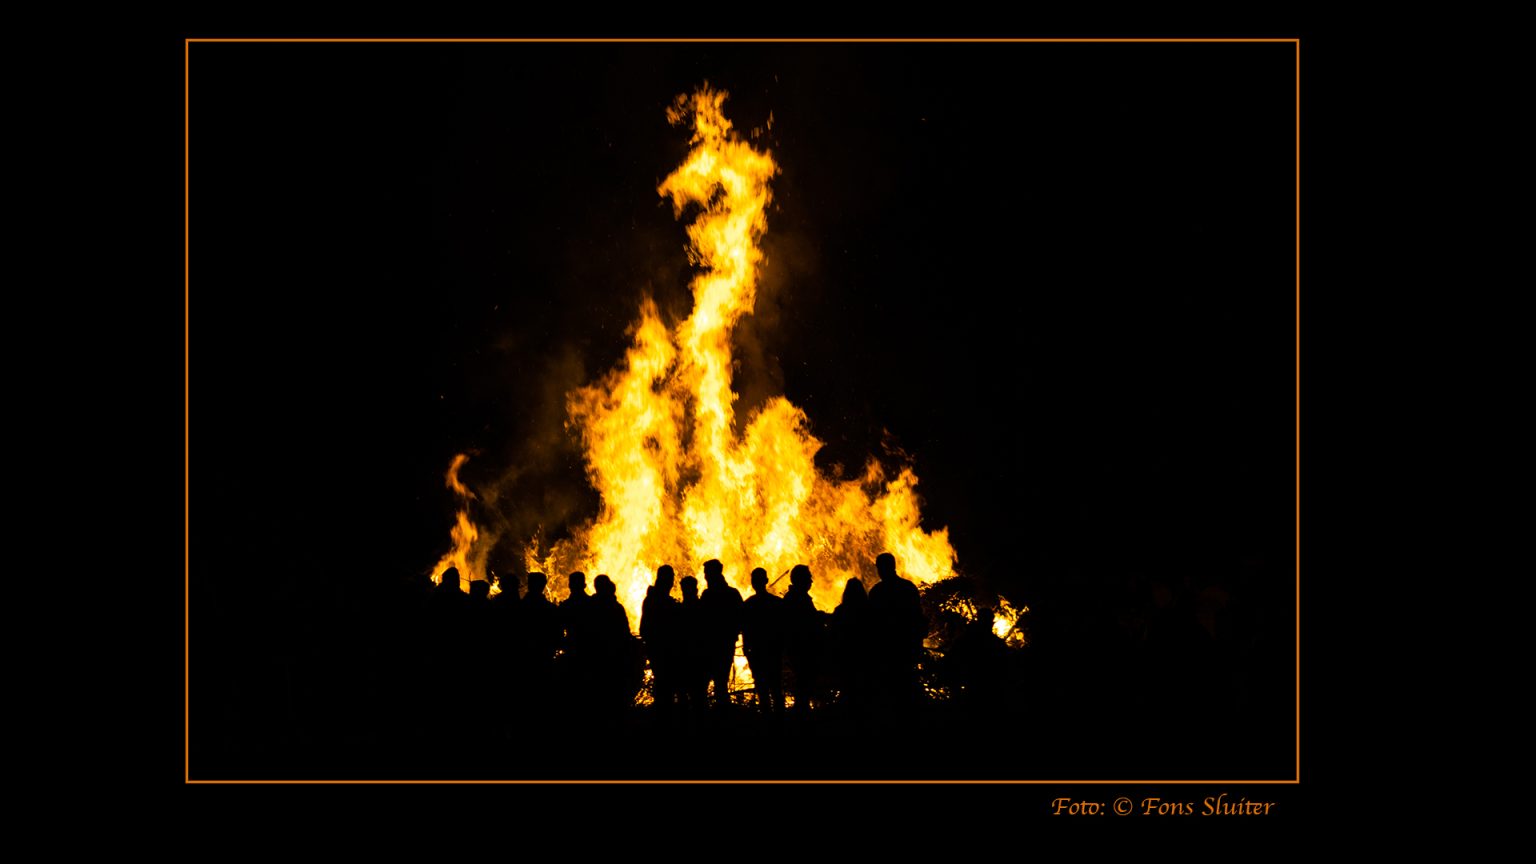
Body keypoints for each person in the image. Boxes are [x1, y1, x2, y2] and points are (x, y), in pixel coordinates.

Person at [867, 552, 927, 709]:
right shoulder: (908, 587)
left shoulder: (877, 592)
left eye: (879, 567)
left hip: (887, 651)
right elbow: (917, 616)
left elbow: (872, 623)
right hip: (907, 648)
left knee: (890, 691)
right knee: (908, 689)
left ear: (881, 568)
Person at [699, 559, 743, 708]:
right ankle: (721, 714)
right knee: (721, 684)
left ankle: (711, 716)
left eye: (707, 573)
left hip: (712, 646)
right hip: (723, 645)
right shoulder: (732, 594)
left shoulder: (708, 596)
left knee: (708, 685)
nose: (705, 576)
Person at [782, 564, 827, 711]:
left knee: (804, 682)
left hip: (799, 648)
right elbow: (806, 622)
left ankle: (802, 711)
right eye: (808, 577)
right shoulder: (797, 599)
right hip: (802, 649)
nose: (811, 581)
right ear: (801, 580)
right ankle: (802, 714)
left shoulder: (795, 597)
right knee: (804, 682)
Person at [740, 567, 784, 713]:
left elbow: (745, 631)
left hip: (759, 653)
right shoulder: (776, 603)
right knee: (776, 689)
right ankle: (780, 720)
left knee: (763, 691)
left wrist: (747, 650)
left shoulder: (748, 604)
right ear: (766, 581)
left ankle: (768, 720)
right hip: (771, 653)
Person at [641, 565, 680, 713]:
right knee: (665, 687)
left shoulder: (656, 599)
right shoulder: (659, 601)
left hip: (659, 651)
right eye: (670, 578)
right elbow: (646, 629)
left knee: (664, 687)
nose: (672, 581)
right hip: (663, 652)